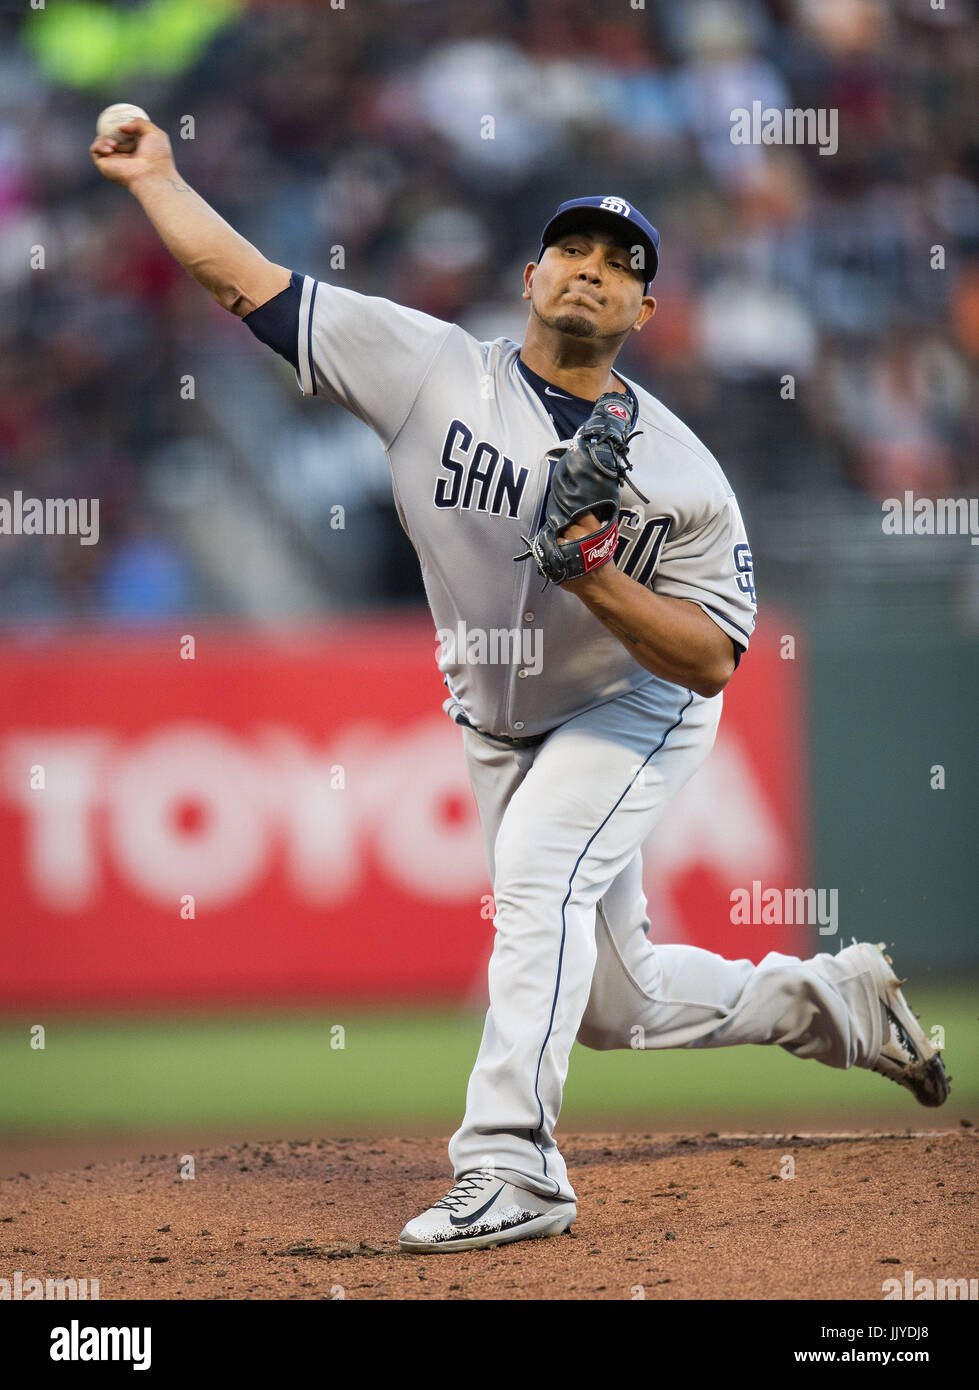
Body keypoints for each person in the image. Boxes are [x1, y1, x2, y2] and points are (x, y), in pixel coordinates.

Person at [91, 119, 949, 1255]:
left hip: (632, 706)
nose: (596, 269)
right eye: (577, 251)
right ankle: (838, 1002)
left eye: (625, 264)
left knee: (536, 880)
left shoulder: (682, 473)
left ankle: (512, 1165)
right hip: (498, 720)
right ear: (532, 276)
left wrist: (590, 567)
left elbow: (707, 659)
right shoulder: (426, 367)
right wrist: (158, 177)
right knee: (616, 1004)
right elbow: (243, 279)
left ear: (644, 314)